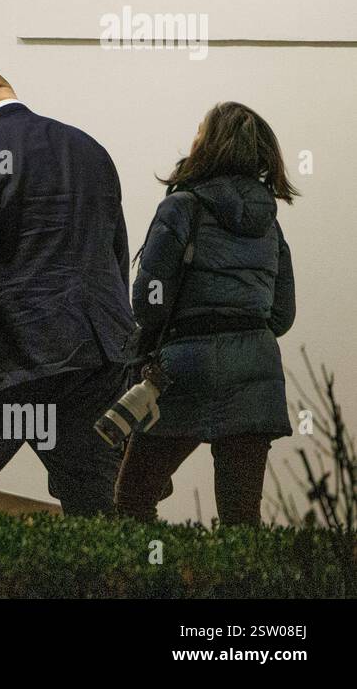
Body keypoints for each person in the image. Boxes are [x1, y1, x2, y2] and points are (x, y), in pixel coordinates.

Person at [0, 62, 134, 516]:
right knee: (95, 502)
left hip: (4, 357)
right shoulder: (89, 149)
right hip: (95, 360)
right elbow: (114, 253)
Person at [114, 102, 297, 526]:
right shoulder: (270, 224)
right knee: (240, 517)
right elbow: (283, 314)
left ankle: (148, 586)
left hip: (185, 368)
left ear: (210, 144)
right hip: (257, 370)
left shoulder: (182, 207)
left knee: (133, 501)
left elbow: (150, 304)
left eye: (199, 131)